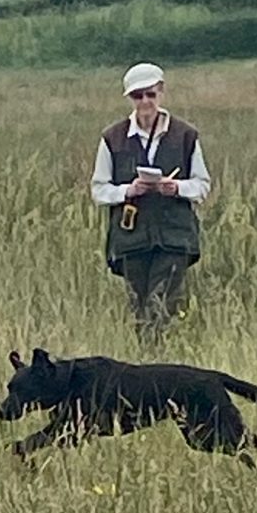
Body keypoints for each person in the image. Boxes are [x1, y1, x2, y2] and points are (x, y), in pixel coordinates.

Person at [91, 62, 212, 344]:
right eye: (138, 96)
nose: (145, 102)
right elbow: (99, 189)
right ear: (129, 99)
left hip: (174, 237)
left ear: (161, 92)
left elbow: (202, 185)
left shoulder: (186, 135)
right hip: (131, 238)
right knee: (138, 304)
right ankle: (147, 356)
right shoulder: (112, 137)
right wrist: (128, 190)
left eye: (150, 94)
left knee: (161, 305)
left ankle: (154, 355)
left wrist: (177, 188)